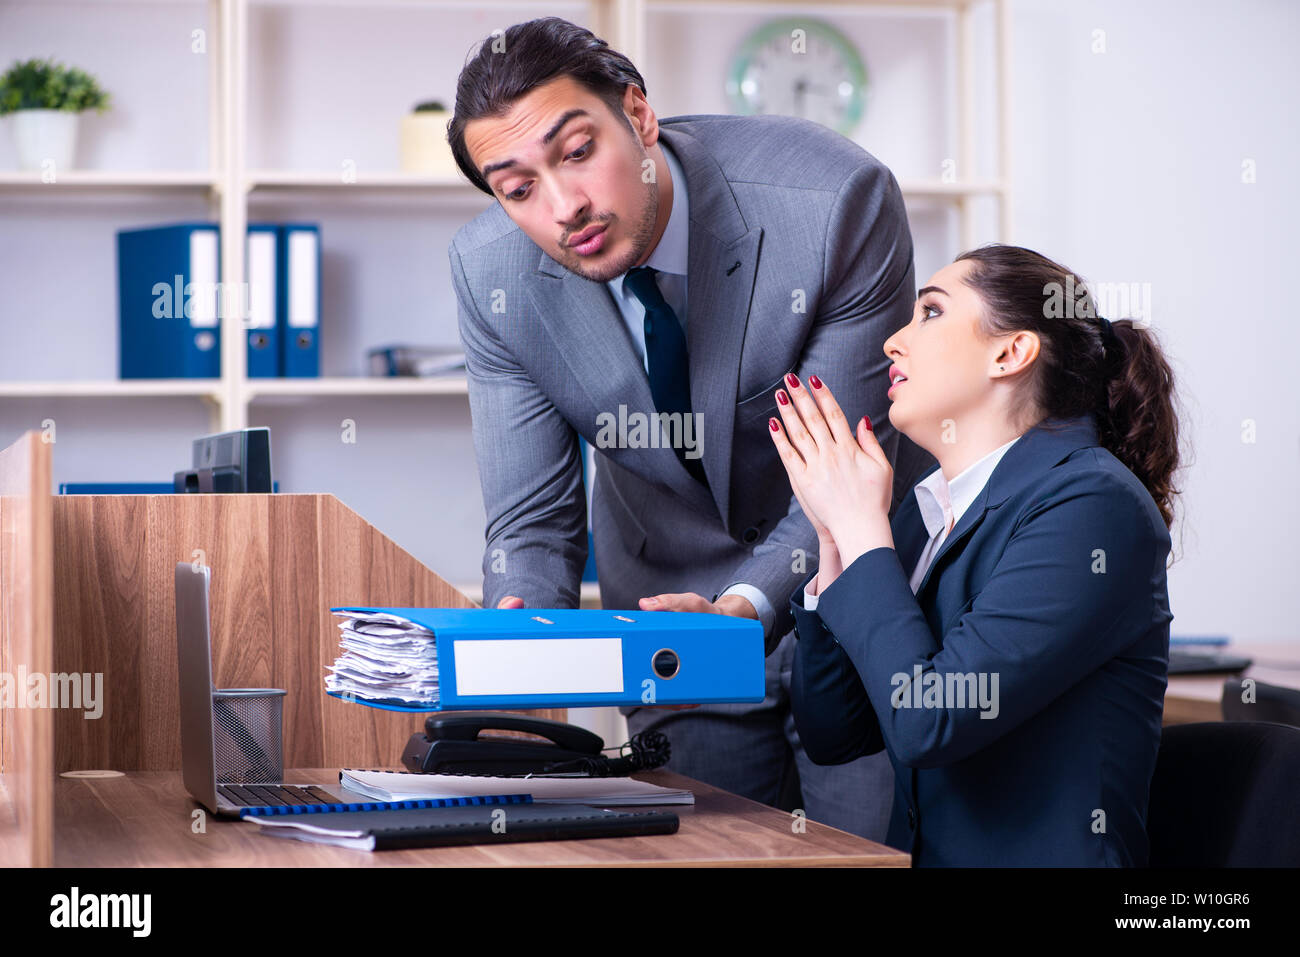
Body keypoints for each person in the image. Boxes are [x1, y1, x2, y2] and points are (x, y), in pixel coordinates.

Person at [445, 16, 935, 840]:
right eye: (518, 187)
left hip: (856, 604)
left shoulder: (832, 203)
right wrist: (518, 654)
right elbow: (532, 520)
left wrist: (745, 601)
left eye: (576, 151)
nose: (566, 206)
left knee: (867, 856)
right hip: (672, 623)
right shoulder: (490, 272)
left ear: (638, 116)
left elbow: (847, 459)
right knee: (704, 859)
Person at [769, 244, 1181, 865]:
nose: (892, 343)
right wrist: (835, 540)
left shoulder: (1093, 504)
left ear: (1010, 352)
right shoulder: (924, 509)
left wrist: (862, 531)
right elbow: (833, 734)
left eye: (929, 313)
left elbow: (930, 720)